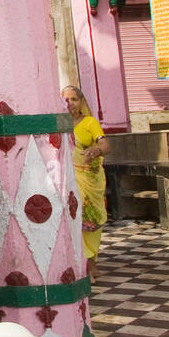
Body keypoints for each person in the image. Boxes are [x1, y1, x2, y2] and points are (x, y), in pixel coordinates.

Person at [63, 85, 109, 282]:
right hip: (68, 179)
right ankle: (88, 265)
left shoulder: (89, 123)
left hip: (90, 180)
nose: (69, 104)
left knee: (90, 219)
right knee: (74, 217)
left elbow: (105, 143)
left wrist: (96, 151)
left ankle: (90, 263)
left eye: (74, 99)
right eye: (65, 100)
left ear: (81, 102)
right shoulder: (60, 125)